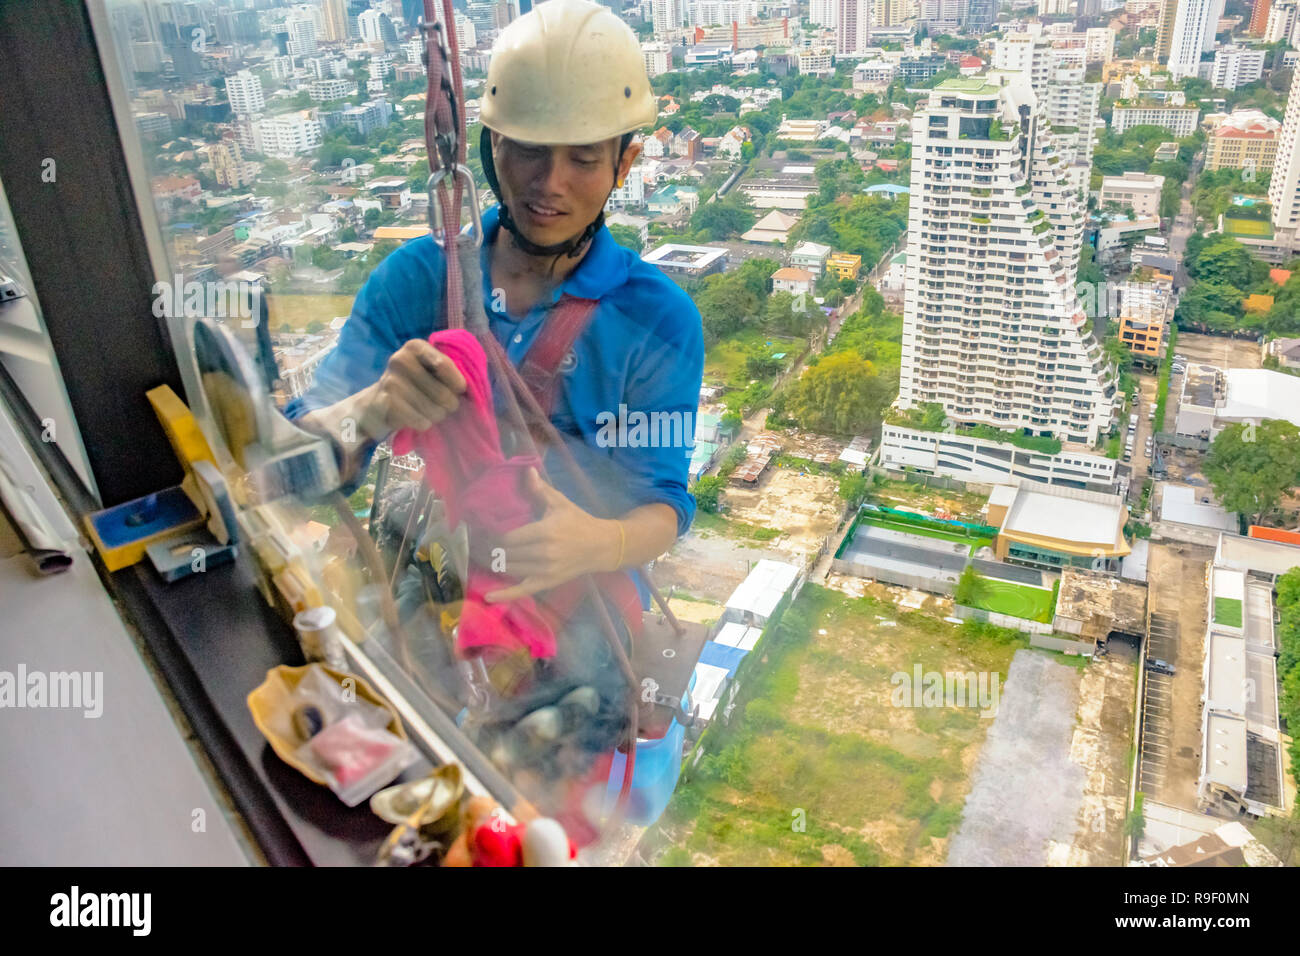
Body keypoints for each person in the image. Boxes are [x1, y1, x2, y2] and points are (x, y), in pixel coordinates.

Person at [283, 0, 704, 800]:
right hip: (426, 586)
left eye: (584, 159)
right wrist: (369, 411)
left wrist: (594, 543)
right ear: (489, 148)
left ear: (626, 160)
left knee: (520, 810)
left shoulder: (654, 320)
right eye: (528, 154)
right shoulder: (419, 282)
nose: (551, 186)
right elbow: (301, 461)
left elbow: (666, 502)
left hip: (572, 628)